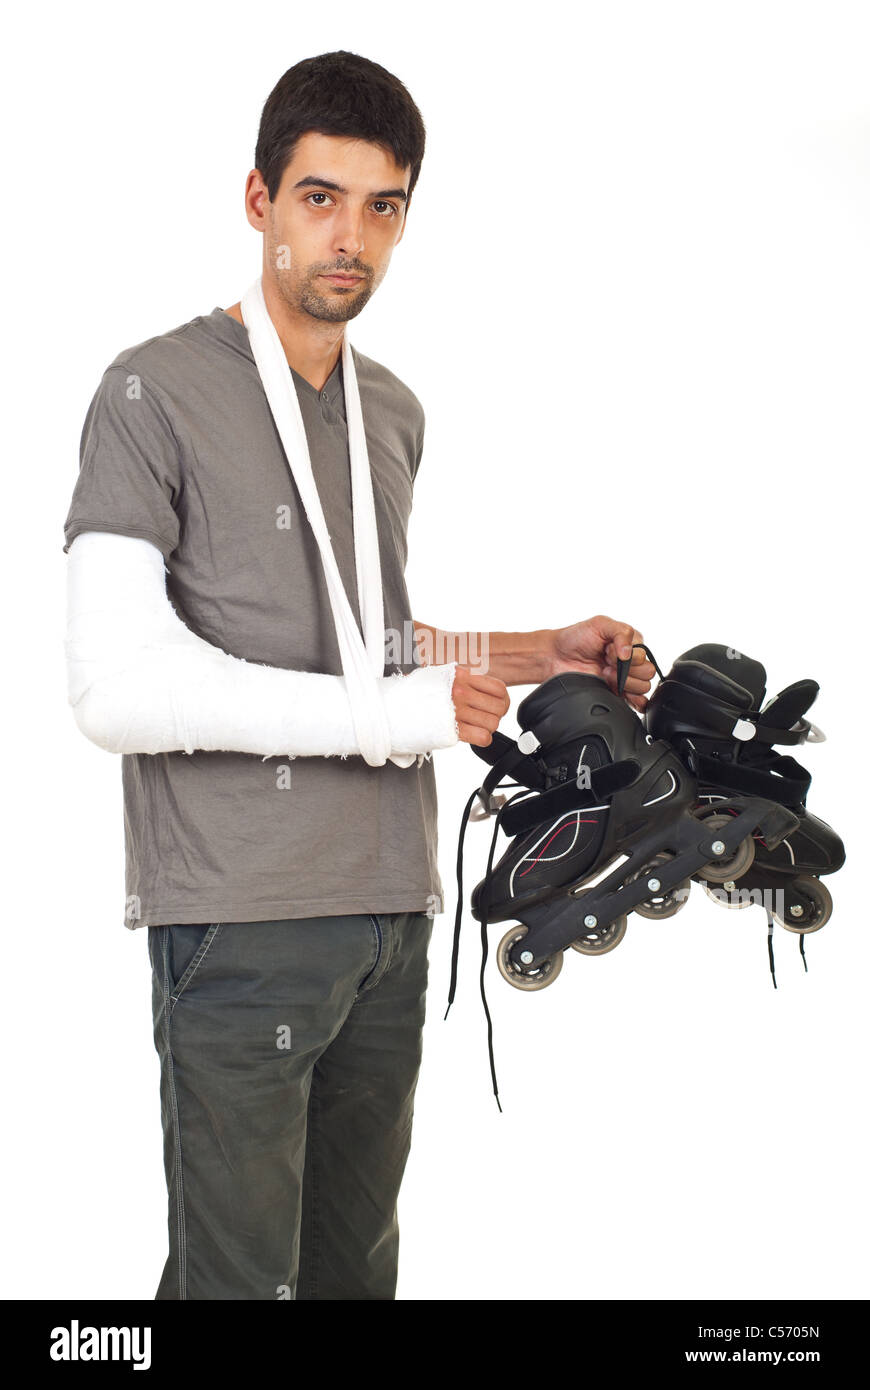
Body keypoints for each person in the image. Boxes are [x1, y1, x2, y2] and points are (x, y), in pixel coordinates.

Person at [62, 49, 655, 1301]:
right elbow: (112, 681)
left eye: (384, 207)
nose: (352, 237)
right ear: (258, 201)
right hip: (240, 916)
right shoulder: (150, 390)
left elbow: (369, 642)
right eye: (321, 197)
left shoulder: (393, 408)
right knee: (234, 1291)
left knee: (351, 1281)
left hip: (389, 910)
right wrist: (395, 711)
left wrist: (536, 651)